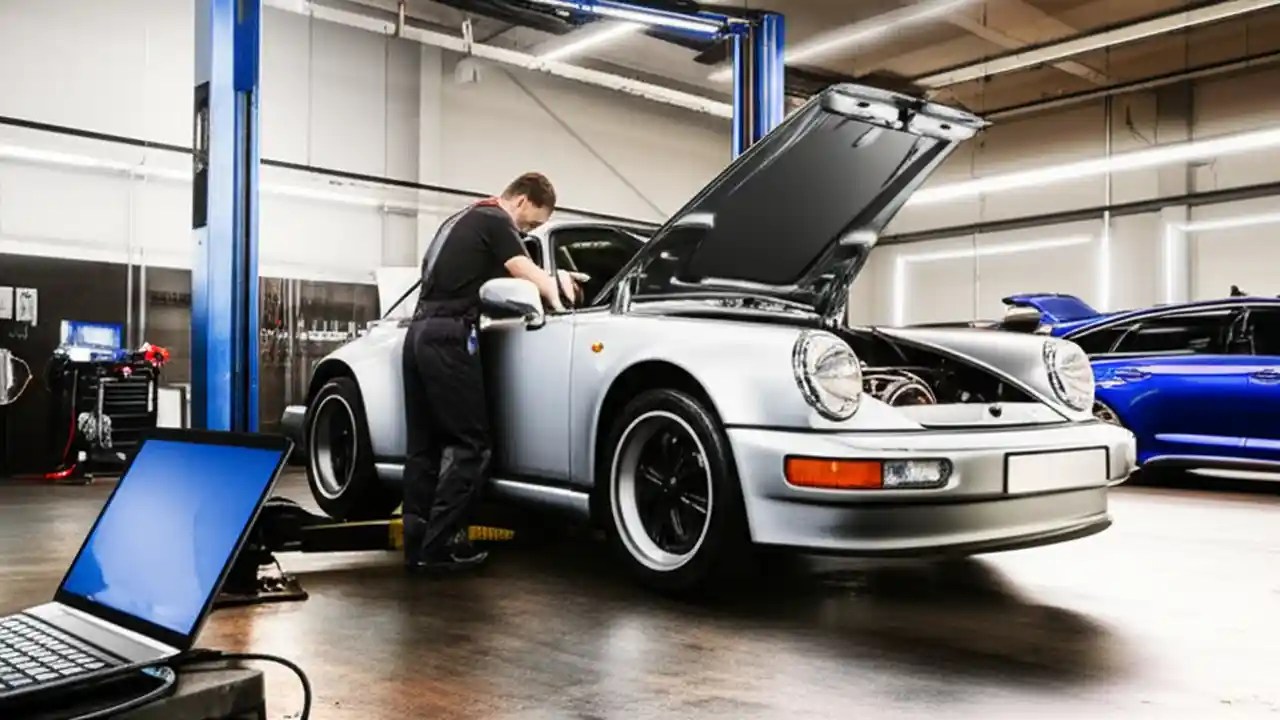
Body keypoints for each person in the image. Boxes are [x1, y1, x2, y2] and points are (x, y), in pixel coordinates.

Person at [401, 172, 578, 574]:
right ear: (521, 201)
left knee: (424, 447)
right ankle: (443, 544)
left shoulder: (461, 218)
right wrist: (558, 288)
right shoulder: (497, 220)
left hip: (419, 333)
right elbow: (532, 279)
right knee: (471, 444)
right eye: (531, 223)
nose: (528, 229)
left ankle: (418, 546)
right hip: (449, 335)